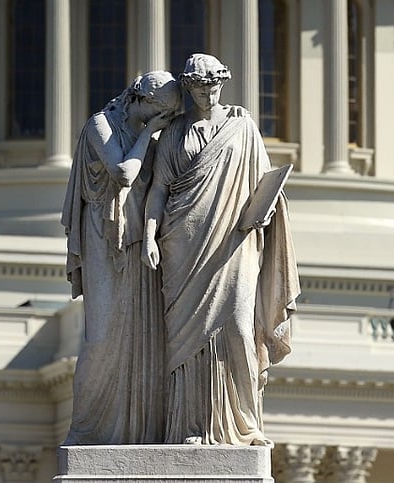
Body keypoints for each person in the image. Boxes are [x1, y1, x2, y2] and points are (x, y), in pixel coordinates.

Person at [142, 53, 300, 446]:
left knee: (238, 328)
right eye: (199, 88)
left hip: (234, 242)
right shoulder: (175, 134)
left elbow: (266, 182)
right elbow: (159, 189)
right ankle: (192, 426)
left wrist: (265, 211)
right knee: (186, 342)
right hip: (182, 244)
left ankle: (243, 423)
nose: (207, 94)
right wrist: (148, 236)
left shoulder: (242, 126)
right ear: (188, 88)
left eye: (213, 86)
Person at [61, 71, 182, 445]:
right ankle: (87, 429)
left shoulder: (155, 139)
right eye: (160, 111)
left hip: (137, 242)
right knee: (102, 337)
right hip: (104, 236)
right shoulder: (102, 125)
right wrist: (149, 134)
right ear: (140, 99)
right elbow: (123, 173)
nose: (162, 120)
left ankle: (139, 430)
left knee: (142, 336)